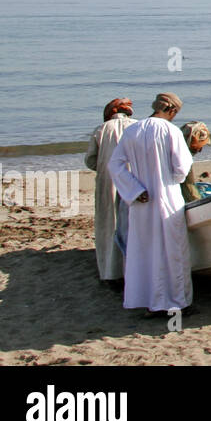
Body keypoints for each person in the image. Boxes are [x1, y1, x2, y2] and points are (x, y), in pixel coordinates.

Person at [107, 93, 193, 315]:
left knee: (145, 251)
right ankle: (176, 303)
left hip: (141, 201)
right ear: (172, 111)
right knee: (172, 251)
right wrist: (171, 178)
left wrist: (134, 189)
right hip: (167, 196)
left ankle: (149, 302)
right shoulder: (171, 131)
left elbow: (115, 165)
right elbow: (182, 169)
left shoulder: (132, 130)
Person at [85, 97, 135, 284]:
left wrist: (103, 167)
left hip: (108, 181)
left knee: (108, 222)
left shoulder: (102, 129)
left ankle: (110, 273)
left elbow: (91, 160)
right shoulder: (138, 126)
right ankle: (131, 268)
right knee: (129, 223)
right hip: (133, 181)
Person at [179, 122, 211, 203]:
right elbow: (191, 192)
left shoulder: (173, 152)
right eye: (199, 147)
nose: (200, 150)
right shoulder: (184, 160)